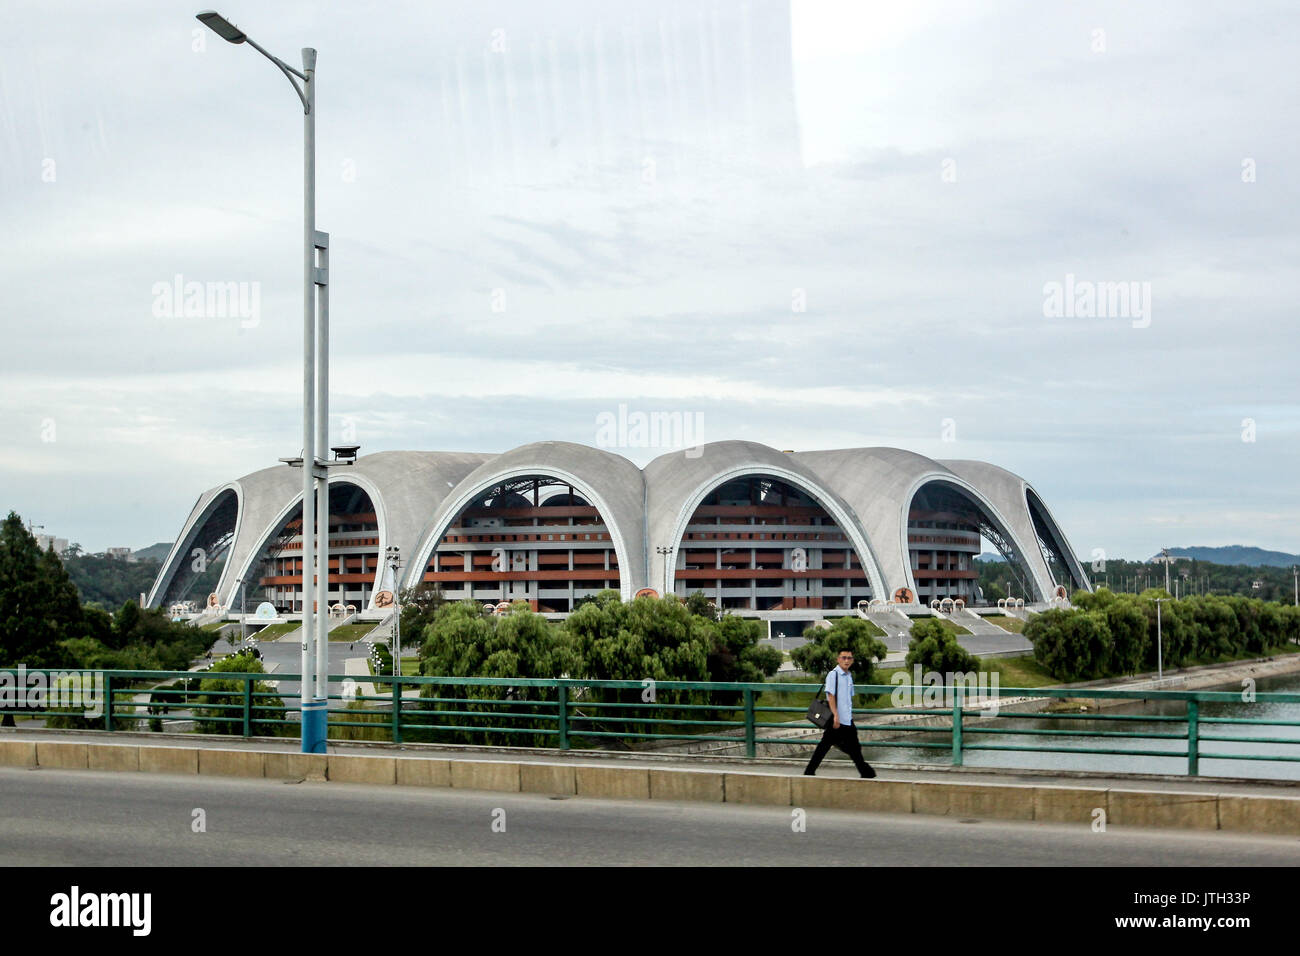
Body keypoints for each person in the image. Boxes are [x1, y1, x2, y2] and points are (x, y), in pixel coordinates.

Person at [803, 649, 876, 778]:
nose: (846, 660)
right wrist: (836, 715)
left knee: (848, 747)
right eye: (843, 658)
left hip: (847, 719)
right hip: (836, 719)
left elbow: (847, 698)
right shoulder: (833, 674)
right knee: (827, 746)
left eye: (849, 658)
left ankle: (810, 771)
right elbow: (830, 695)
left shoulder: (849, 676)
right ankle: (866, 772)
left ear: (852, 660)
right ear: (838, 659)